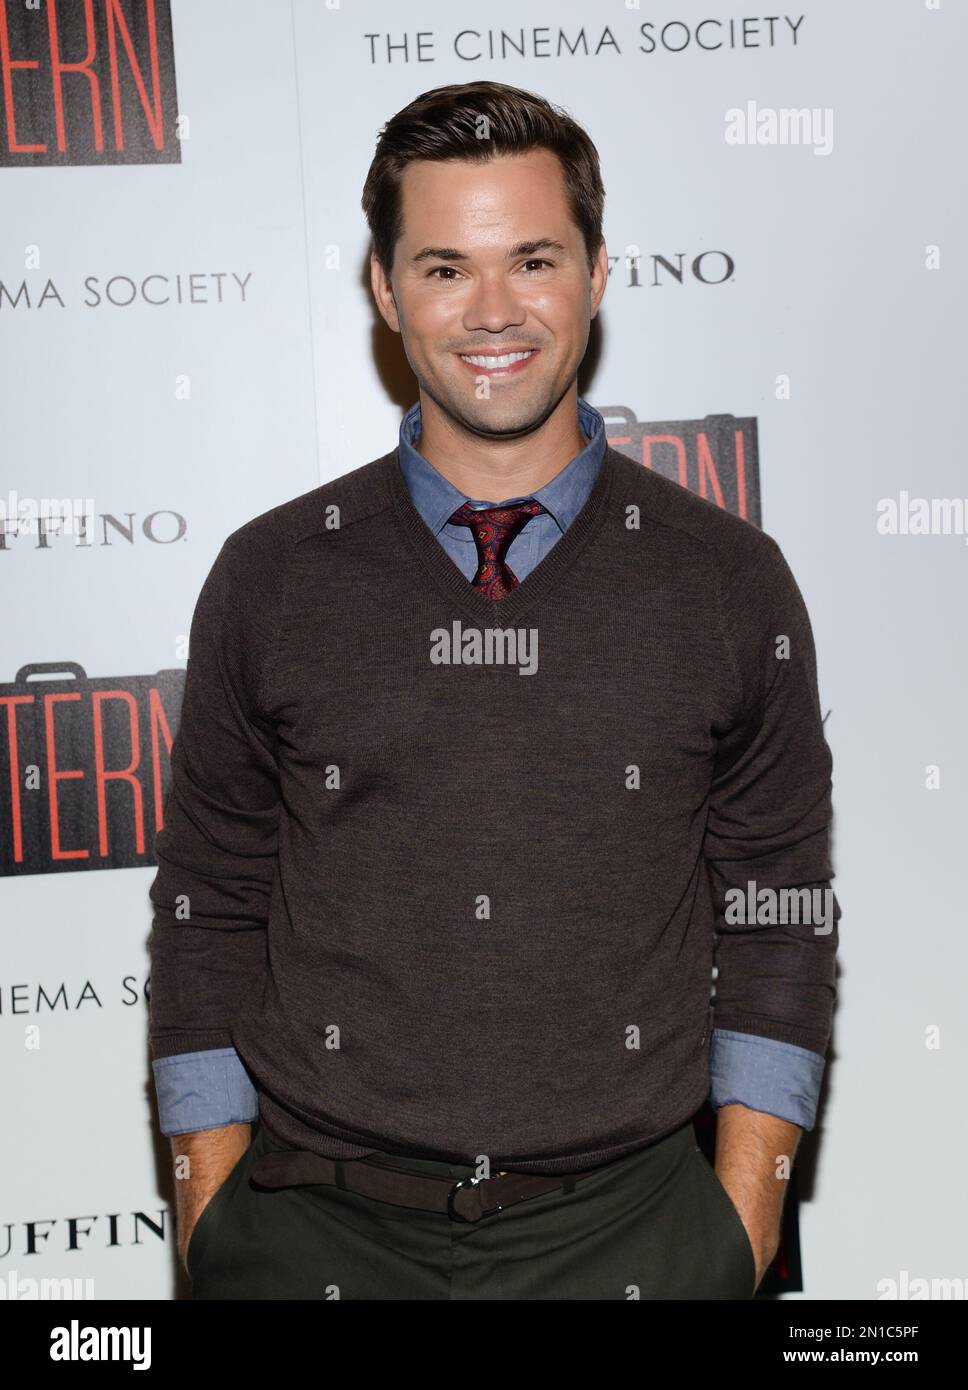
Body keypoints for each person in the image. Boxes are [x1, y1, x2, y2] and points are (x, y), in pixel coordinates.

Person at [148, 79, 840, 1301]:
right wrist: (209, 1213)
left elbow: (779, 909)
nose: (493, 311)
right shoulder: (272, 574)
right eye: (443, 267)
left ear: (597, 271)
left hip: (635, 1232)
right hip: (314, 1233)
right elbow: (211, 899)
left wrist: (738, 1225)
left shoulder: (725, 580)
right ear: (382, 288)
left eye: (531, 258)